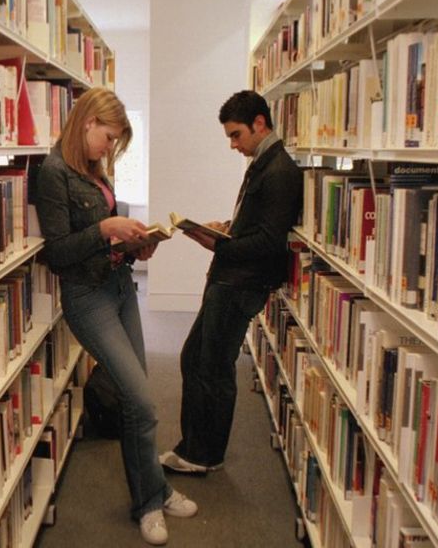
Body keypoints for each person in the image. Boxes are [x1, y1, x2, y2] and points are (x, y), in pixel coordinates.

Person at [35, 87, 198, 545]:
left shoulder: (93, 168)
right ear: (87, 122)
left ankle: (155, 490)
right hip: (88, 297)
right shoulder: (53, 173)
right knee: (142, 401)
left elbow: (102, 238)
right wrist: (104, 228)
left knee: (135, 401)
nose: (109, 148)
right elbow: (57, 251)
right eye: (108, 137)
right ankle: (149, 503)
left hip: (120, 285)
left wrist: (133, 246)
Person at [160, 90, 303, 474]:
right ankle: (193, 447)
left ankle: (204, 455)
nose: (233, 144)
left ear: (260, 123)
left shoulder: (281, 171)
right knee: (195, 358)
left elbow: (270, 242)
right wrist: (226, 229)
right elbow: (257, 226)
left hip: (241, 284)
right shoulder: (263, 162)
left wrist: (220, 244)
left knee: (214, 368)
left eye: (236, 135)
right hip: (229, 278)